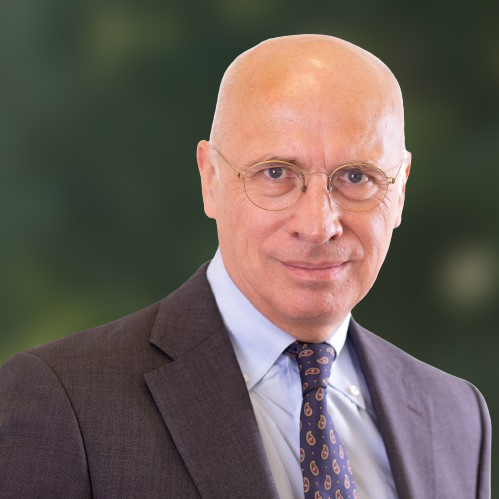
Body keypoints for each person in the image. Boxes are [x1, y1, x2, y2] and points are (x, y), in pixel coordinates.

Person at [0, 34, 491, 499]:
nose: (318, 225)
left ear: (400, 188)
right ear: (210, 179)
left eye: (357, 177)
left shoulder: (457, 416)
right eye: (276, 173)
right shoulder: (62, 402)